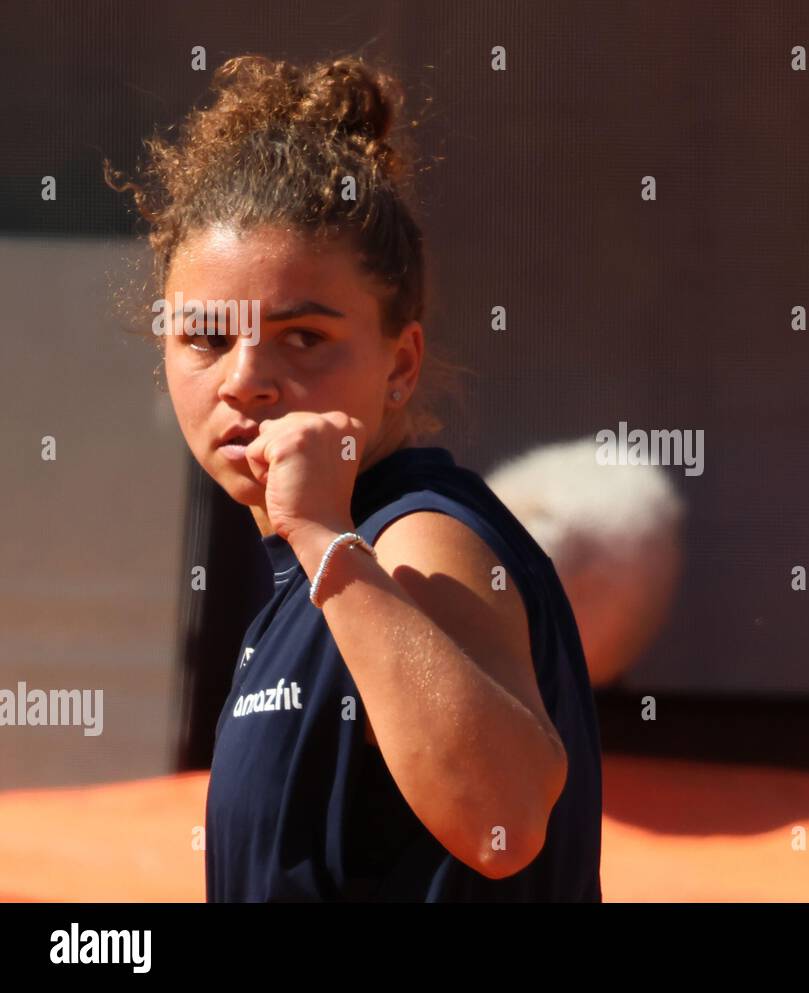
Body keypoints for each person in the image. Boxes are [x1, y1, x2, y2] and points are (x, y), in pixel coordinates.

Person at [104, 54, 602, 901]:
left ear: (400, 363)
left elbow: (505, 822)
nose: (244, 379)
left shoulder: (413, 538)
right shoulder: (312, 570)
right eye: (206, 338)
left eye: (303, 337)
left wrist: (323, 537)